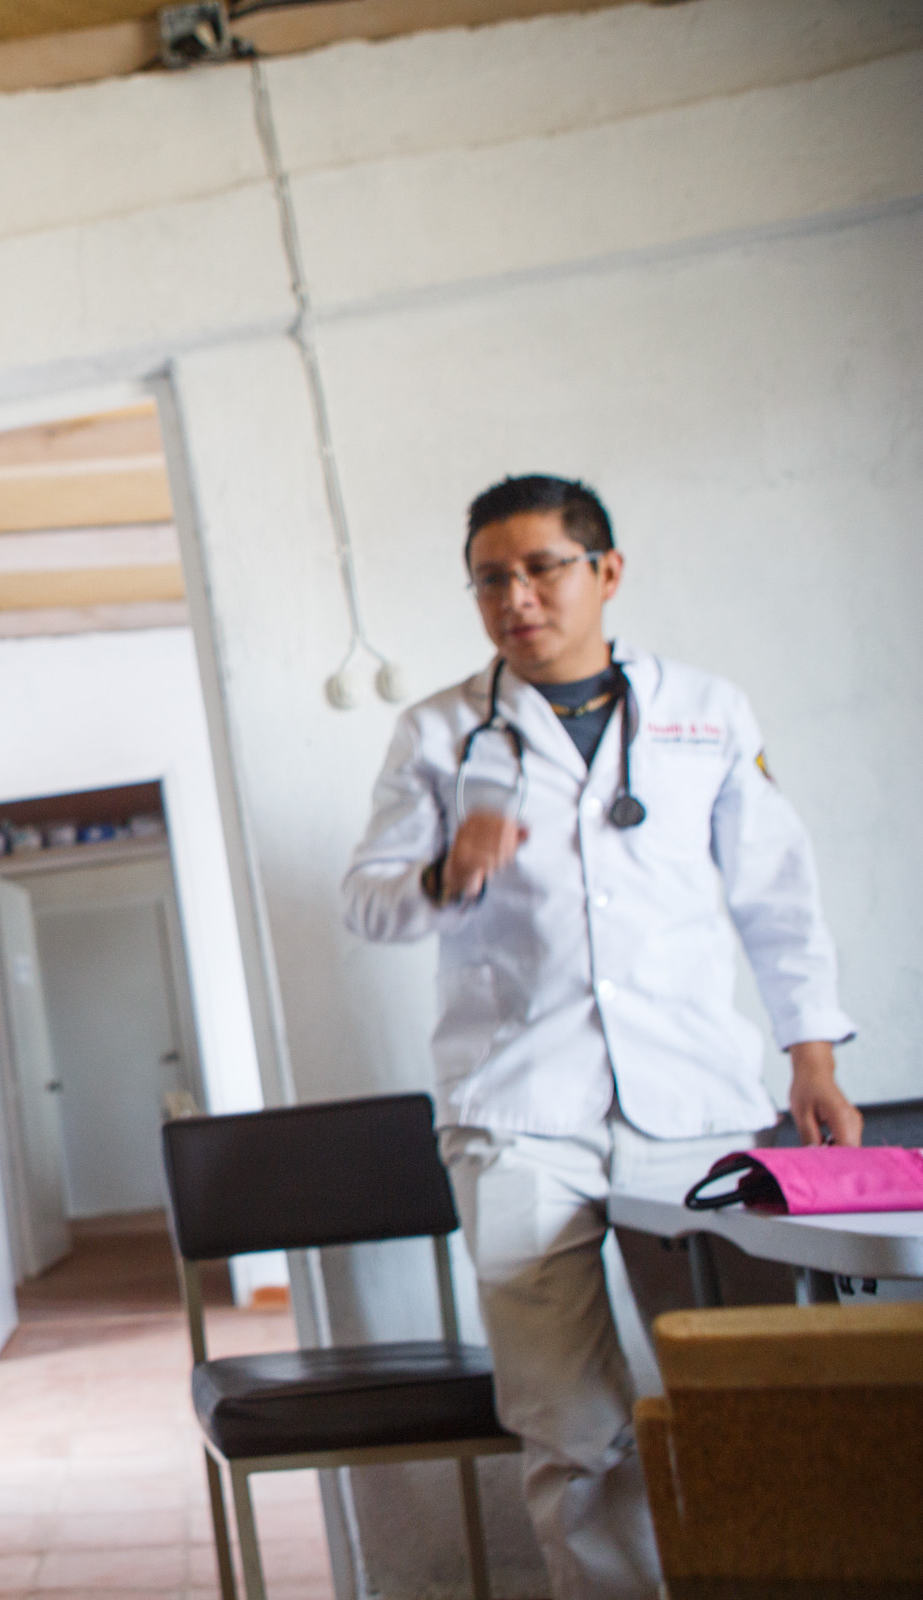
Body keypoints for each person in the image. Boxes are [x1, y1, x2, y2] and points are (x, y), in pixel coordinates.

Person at [341, 475, 859, 1600]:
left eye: (542, 568)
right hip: (520, 1111)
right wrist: (446, 871)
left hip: (701, 1101)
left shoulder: (706, 711)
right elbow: (368, 900)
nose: (517, 597)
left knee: (749, 1391)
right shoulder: (438, 729)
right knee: (572, 1426)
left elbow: (777, 895)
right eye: (491, 578)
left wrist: (810, 1053)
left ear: (605, 572)